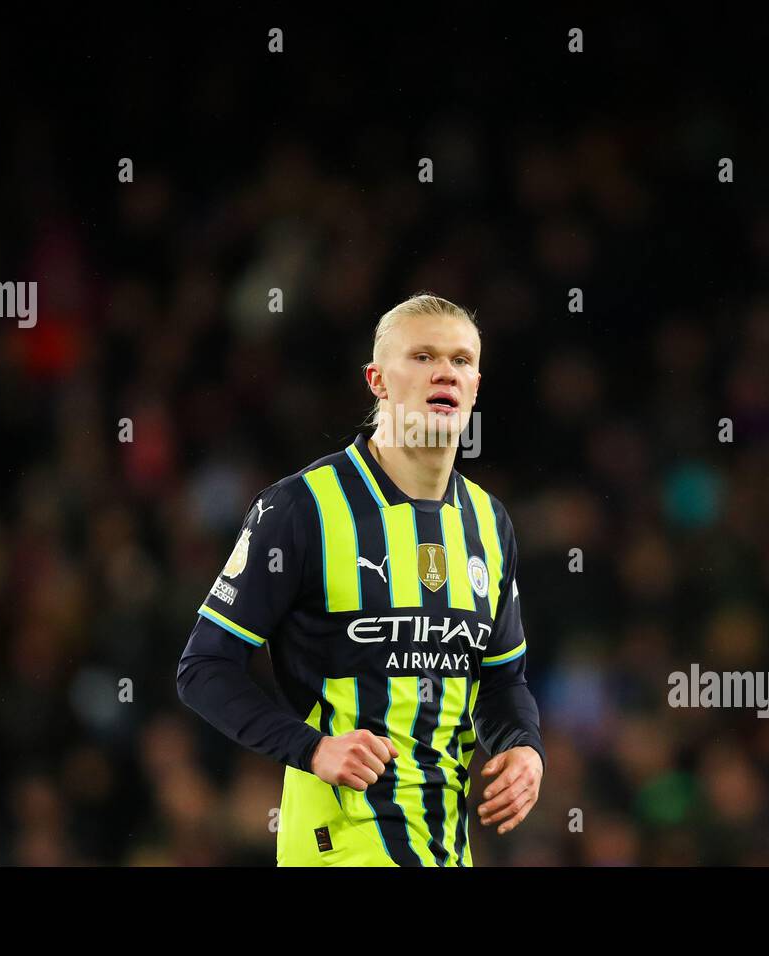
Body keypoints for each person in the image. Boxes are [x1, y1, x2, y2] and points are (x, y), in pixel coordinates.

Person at [177, 293, 545, 866]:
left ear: (475, 385)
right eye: (422, 356)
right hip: (340, 837)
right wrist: (312, 748)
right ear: (377, 379)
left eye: (462, 360)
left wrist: (524, 747)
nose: (446, 371)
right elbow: (204, 669)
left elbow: (502, 681)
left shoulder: (489, 524)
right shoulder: (301, 509)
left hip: (445, 844)